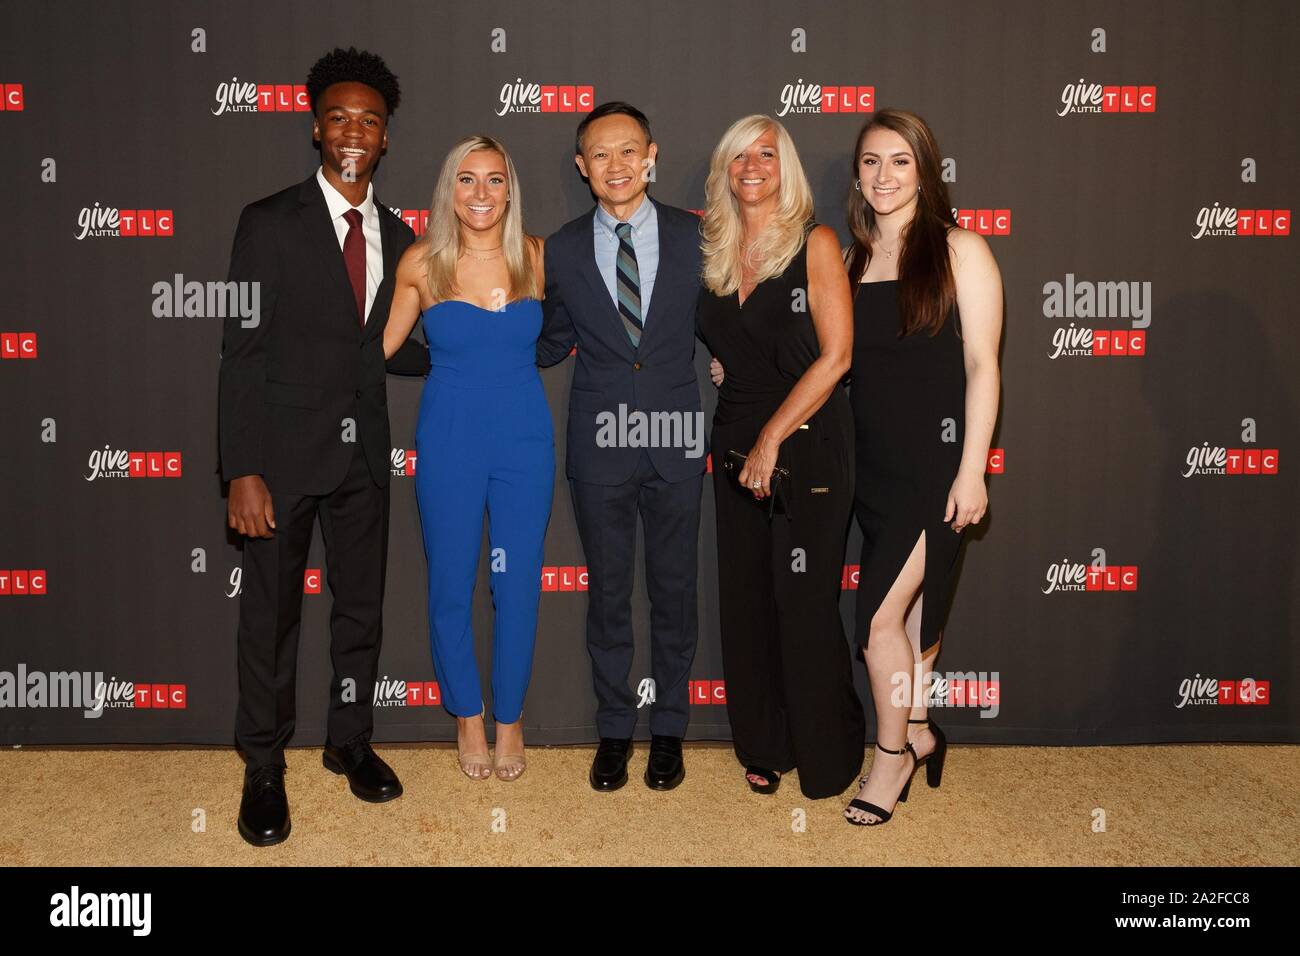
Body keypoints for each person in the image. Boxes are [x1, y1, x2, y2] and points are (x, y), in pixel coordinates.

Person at [219, 47, 431, 847]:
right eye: (339, 117)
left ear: (386, 140)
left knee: (360, 613)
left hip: (361, 458)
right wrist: (241, 467)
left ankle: (348, 739)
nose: (353, 131)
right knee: (269, 620)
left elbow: (400, 345)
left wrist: (476, 317)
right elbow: (241, 351)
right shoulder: (267, 221)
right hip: (276, 460)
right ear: (316, 128)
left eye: (369, 121)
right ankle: (264, 766)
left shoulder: (404, 235)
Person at [695, 114, 866, 800]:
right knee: (748, 601)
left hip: (807, 445)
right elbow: (735, 337)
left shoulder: (816, 243)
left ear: (785, 166)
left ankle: (826, 750)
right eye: (739, 156)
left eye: (766, 153)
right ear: (724, 172)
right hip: (733, 436)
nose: (752, 165)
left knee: (802, 602)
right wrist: (731, 368)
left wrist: (771, 438)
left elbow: (838, 356)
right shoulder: (716, 250)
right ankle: (764, 742)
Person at [536, 102, 706, 792]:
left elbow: (729, 318)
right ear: (582, 166)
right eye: (600, 155)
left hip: (676, 441)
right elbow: (546, 337)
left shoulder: (698, 237)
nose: (615, 166)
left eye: (627, 151)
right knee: (607, 596)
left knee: (674, 592)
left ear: (651, 155)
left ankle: (669, 729)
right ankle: (614, 730)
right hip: (599, 442)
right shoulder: (561, 247)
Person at [841, 109, 1002, 826]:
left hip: (936, 468)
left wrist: (972, 471)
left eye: (900, 161)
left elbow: (982, 365)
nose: (884, 176)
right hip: (870, 469)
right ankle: (919, 731)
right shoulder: (851, 258)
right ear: (857, 174)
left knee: (876, 621)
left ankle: (891, 759)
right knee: (898, 622)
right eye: (872, 162)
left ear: (925, 170)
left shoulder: (960, 249)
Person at [383, 136, 554, 783]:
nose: (481, 194)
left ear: (511, 189)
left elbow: (582, 331)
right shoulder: (421, 264)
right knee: (450, 583)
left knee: (517, 586)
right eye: (467, 180)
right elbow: (377, 350)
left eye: (494, 180)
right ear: (447, 190)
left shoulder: (537, 258)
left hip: (525, 440)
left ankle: (510, 718)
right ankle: (468, 716)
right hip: (450, 437)